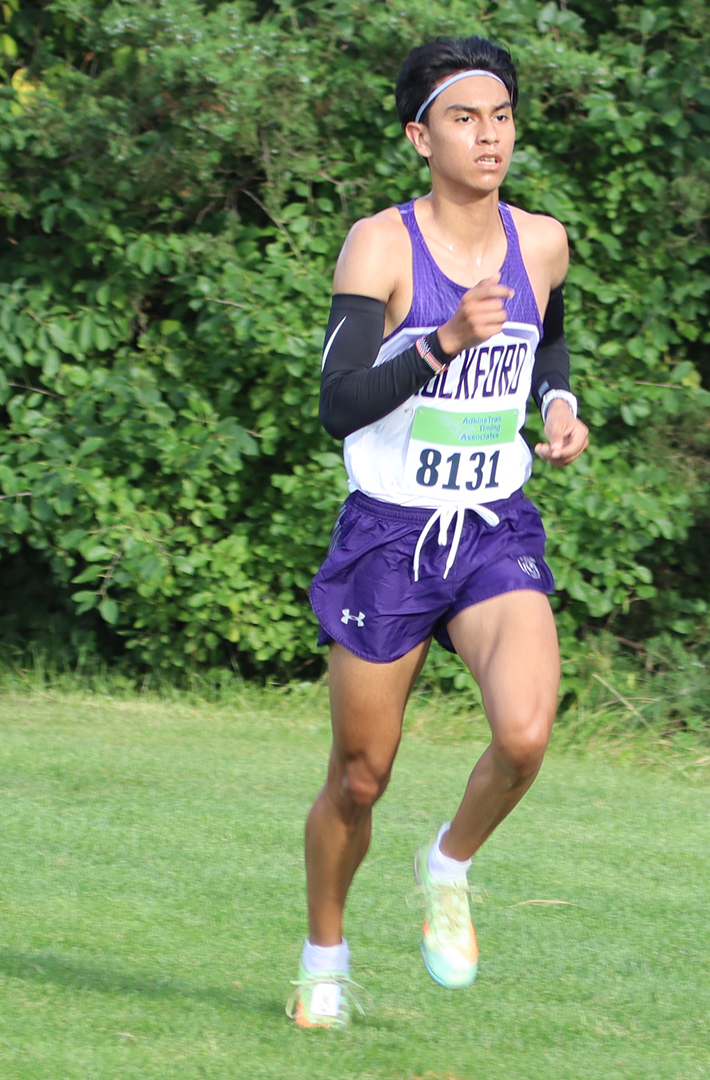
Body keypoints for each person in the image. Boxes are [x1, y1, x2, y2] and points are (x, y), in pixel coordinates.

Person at [287, 36, 590, 1030]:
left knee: (526, 733)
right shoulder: (380, 245)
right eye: (465, 117)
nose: (488, 135)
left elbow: (548, 335)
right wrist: (443, 342)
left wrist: (558, 404)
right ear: (422, 135)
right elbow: (338, 403)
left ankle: (448, 863)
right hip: (388, 535)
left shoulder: (541, 240)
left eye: (500, 115)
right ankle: (324, 952)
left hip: (494, 526)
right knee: (360, 778)